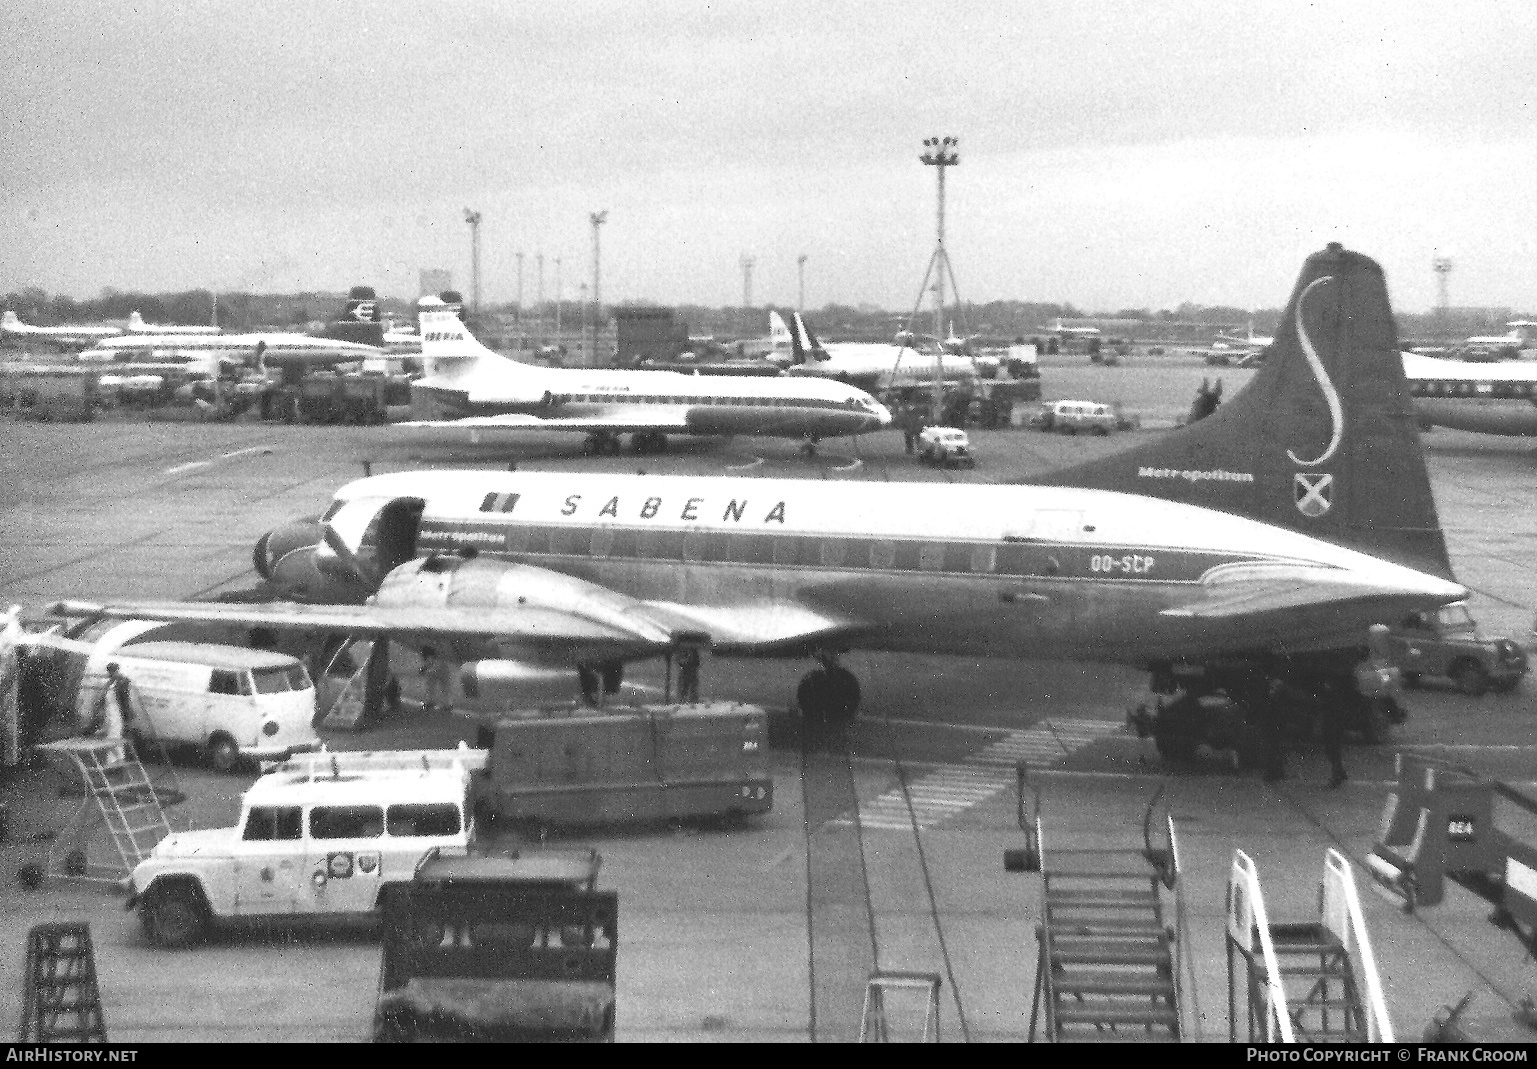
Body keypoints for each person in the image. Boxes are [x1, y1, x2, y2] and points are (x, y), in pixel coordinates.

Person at [420, 647, 454, 714]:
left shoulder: (430, 658)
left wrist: (422, 670)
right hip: (443, 671)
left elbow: (428, 664)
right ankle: (447, 704)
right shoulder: (440, 657)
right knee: (445, 688)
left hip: (434, 672)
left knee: (431, 687)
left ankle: (431, 702)